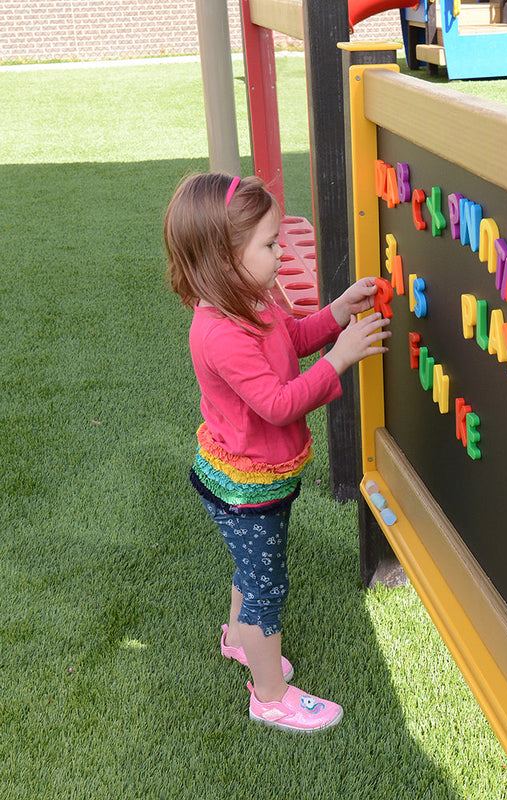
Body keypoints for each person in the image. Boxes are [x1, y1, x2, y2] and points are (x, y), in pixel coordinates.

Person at [164, 173, 390, 733]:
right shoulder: (219, 333)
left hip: (257, 479)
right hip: (246, 490)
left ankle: (239, 637)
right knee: (267, 585)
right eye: (268, 246)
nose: (278, 252)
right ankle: (269, 694)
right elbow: (278, 404)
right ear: (223, 257)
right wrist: (339, 360)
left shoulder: (252, 299)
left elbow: (290, 339)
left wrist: (338, 310)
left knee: (251, 566)